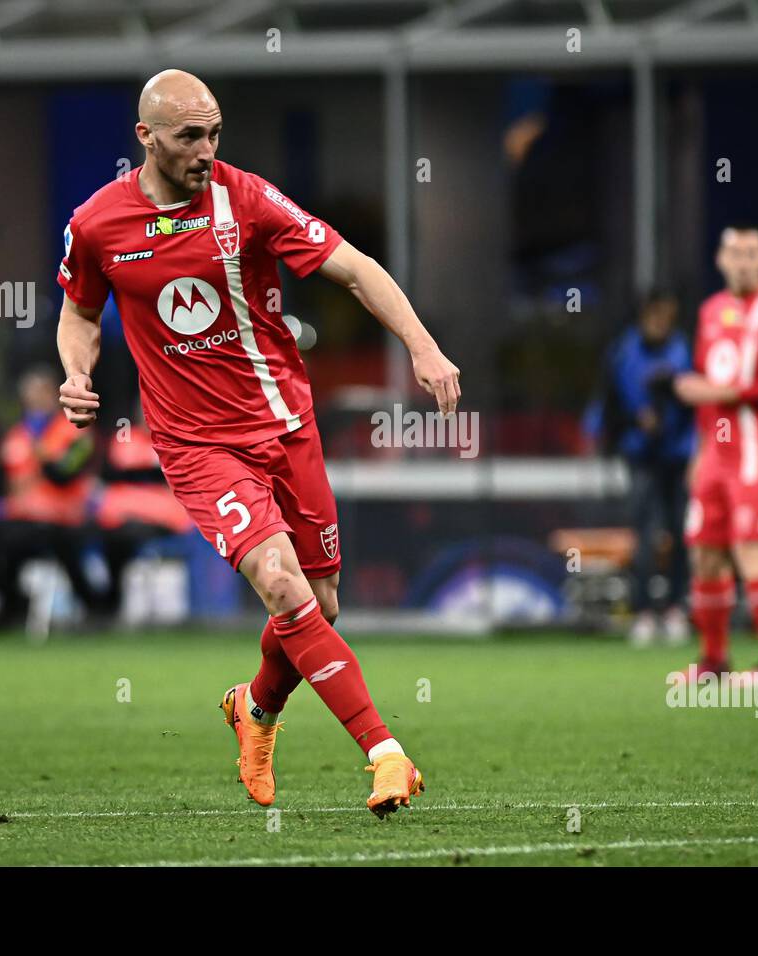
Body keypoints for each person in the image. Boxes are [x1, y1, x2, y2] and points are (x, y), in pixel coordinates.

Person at [54, 70, 461, 816]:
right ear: (145, 138)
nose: (206, 150)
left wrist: (422, 346)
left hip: (285, 425)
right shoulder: (97, 223)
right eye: (188, 138)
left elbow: (355, 269)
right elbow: (79, 311)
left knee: (320, 605)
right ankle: (387, 753)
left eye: (214, 133)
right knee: (281, 585)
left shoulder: (247, 199)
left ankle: (256, 708)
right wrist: (76, 372)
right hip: (196, 446)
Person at [674, 225, 758, 684]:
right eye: (735, 252)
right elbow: (709, 397)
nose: (743, 261)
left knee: (750, 548)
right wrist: (701, 450)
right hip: (717, 452)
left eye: (752, 253)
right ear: (720, 260)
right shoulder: (711, 312)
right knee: (705, 553)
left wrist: (712, 390)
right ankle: (713, 660)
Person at [0, 367, 98, 627]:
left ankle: (94, 607)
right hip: (19, 516)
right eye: (28, 396)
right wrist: (6, 481)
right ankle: (12, 599)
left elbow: (64, 475)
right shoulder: (16, 435)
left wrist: (42, 456)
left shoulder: (75, 430)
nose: (33, 401)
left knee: (16, 543)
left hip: (60, 519)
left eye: (40, 394)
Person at [592, 291, 694, 644]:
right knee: (645, 535)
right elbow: (608, 408)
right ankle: (644, 612)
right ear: (644, 316)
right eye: (656, 316)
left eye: (668, 316)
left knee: (681, 533)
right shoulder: (622, 352)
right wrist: (637, 421)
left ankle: (677, 608)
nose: (661, 323)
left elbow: (699, 403)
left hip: (679, 456)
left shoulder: (685, 351)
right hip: (640, 458)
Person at [90, 408, 193, 616]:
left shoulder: (172, 440)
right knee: (106, 537)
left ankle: (113, 600)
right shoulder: (126, 437)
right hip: (121, 518)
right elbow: (115, 473)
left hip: (163, 520)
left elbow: (169, 474)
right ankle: (109, 600)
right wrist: (146, 472)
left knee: (125, 538)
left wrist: (140, 473)